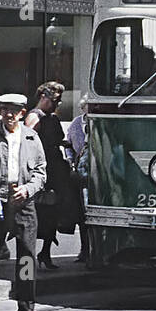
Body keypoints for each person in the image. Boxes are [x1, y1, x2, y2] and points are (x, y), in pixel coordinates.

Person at [0, 94, 47, 311]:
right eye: (5, 110)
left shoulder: (32, 137)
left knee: (26, 255)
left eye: (14, 111)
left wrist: (27, 189)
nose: (9, 115)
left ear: (22, 113)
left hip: (23, 202)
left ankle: (26, 304)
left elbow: (40, 172)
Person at [25, 82, 69, 269]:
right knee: (40, 212)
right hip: (43, 168)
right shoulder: (34, 117)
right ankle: (29, 256)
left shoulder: (52, 118)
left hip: (56, 168)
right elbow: (28, 144)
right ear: (43, 97)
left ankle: (46, 251)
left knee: (54, 212)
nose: (56, 105)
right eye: (54, 100)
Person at [66, 95, 91, 263]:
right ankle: (85, 250)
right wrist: (70, 162)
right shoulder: (76, 124)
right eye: (88, 107)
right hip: (81, 173)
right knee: (83, 214)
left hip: (97, 173)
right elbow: (68, 144)